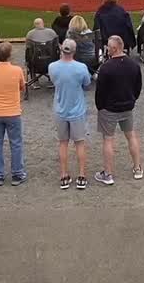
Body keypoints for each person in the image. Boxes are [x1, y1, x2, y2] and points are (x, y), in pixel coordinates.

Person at [94, 35, 142, 185]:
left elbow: (99, 92)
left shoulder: (106, 68)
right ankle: (137, 168)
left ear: (114, 48)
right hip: (127, 106)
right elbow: (137, 87)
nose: (107, 49)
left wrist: (100, 107)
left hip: (109, 109)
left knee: (108, 139)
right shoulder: (134, 65)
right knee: (131, 136)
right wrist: (131, 100)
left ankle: (108, 174)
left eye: (108, 46)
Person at [50, 40, 93, 190]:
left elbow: (54, 81)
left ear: (62, 49)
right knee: (79, 143)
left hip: (60, 110)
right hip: (77, 111)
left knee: (63, 143)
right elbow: (87, 84)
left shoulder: (52, 67)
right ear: (74, 51)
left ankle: (64, 175)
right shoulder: (81, 68)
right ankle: (81, 175)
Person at [0, 41, 27, 185]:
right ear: (10, 55)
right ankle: (17, 174)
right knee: (16, 143)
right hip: (12, 112)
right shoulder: (17, 70)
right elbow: (22, 87)